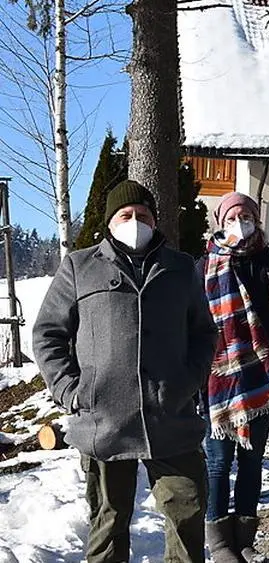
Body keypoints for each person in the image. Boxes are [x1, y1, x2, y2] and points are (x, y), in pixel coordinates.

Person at [32, 180, 216, 563]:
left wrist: (190, 379)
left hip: (172, 419)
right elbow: (48, 334)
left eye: (143, 215)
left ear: (155, 221)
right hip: (103, 424)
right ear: (110, 222)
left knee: (187, 515)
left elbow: (203, 332)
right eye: (126, 215)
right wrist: (70, 391)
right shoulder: (80, 267)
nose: (135, 222)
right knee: (108, 525)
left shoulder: (181, 268)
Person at [199, 192, 269, 563]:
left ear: (256, 220)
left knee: (251, 459)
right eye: (232, 217)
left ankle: (244, 540)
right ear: (220, 221)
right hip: (215, 383)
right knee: (217, 463)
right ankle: (219, 544)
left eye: (246, 216)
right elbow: (190, 329)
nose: (240, 223)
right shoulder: (202, 268)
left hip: (262, 379)